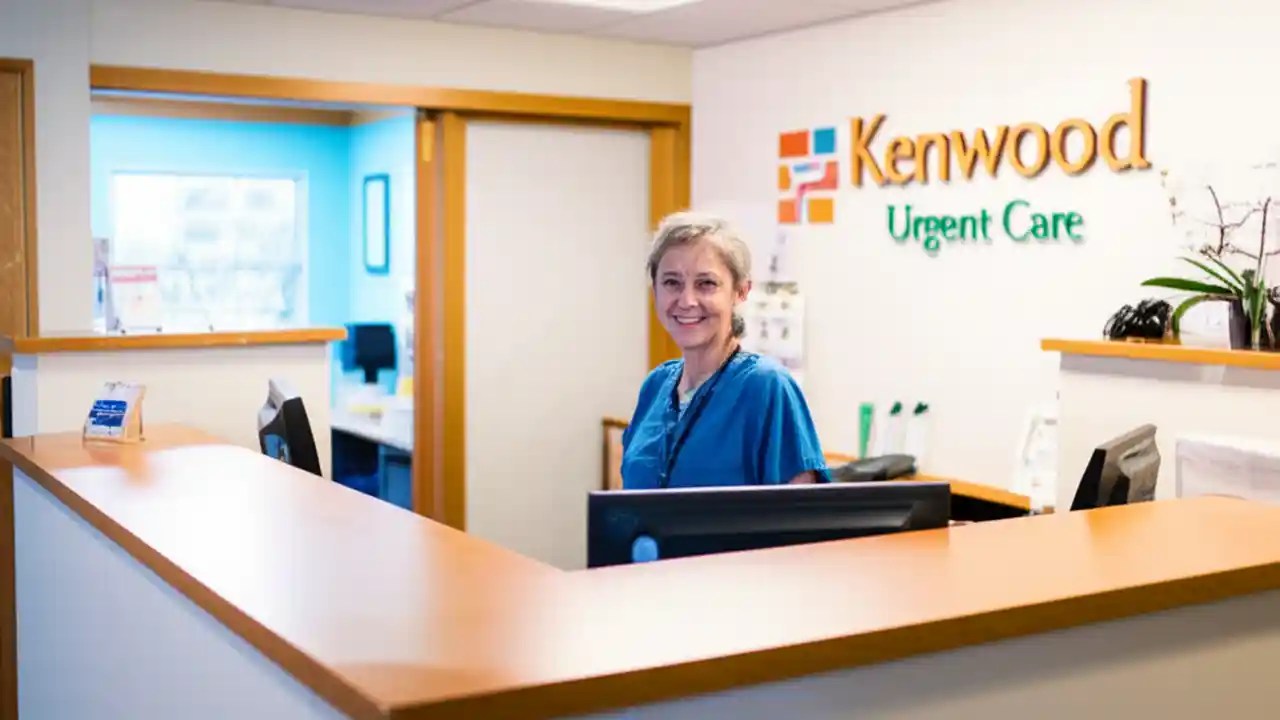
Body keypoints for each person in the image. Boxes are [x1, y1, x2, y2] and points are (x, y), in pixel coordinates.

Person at [620, 211, 830, 489]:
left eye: (706, 283)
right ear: (655, 291)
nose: (687, 300)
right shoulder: (656, 386)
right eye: (672, 282)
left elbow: (801, 521)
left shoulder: (766, 387)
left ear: (740, 292)